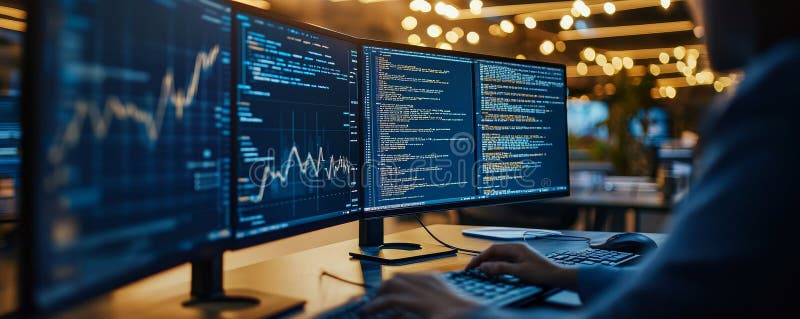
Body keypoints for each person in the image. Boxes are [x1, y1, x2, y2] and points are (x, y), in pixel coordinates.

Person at [363, 0, 800, 317]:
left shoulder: (781, 96)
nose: (692, 10)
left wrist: (465, 312)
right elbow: (712, 290)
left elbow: (674, 302)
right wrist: (567, 275)